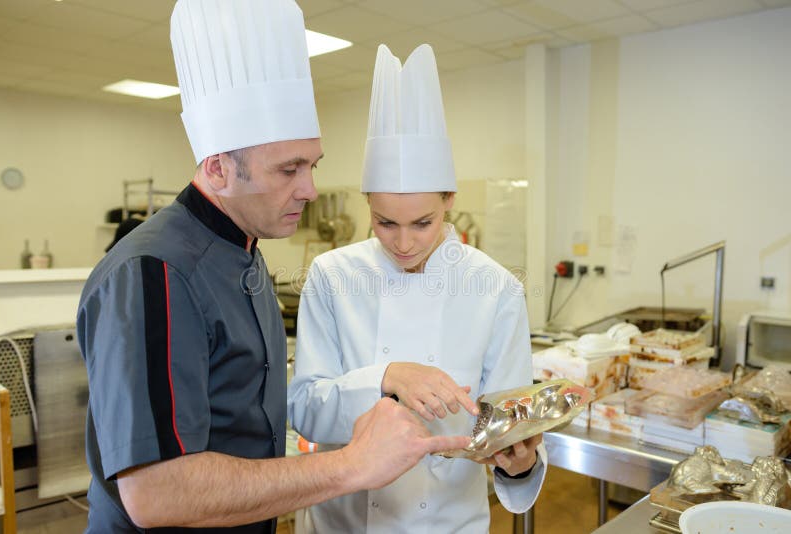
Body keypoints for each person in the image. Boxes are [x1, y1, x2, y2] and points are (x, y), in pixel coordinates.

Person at [76, 2, 469, 532]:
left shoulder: (246, 253)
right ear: (217, 168)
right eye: (288, 169)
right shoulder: (154, 272)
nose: (308, 190)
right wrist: (349, 465)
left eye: (312, 165)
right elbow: (156, 492)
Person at [288, 44, 548, 533]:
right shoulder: (331, 276)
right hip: (343, 523)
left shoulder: (494, 288)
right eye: (385, 222)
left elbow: (511, 427)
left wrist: (521, 461)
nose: (403, 243)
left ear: (450, 198)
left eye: (423, 222)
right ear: (367, 203)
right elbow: (304, 408)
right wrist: (385, 376)